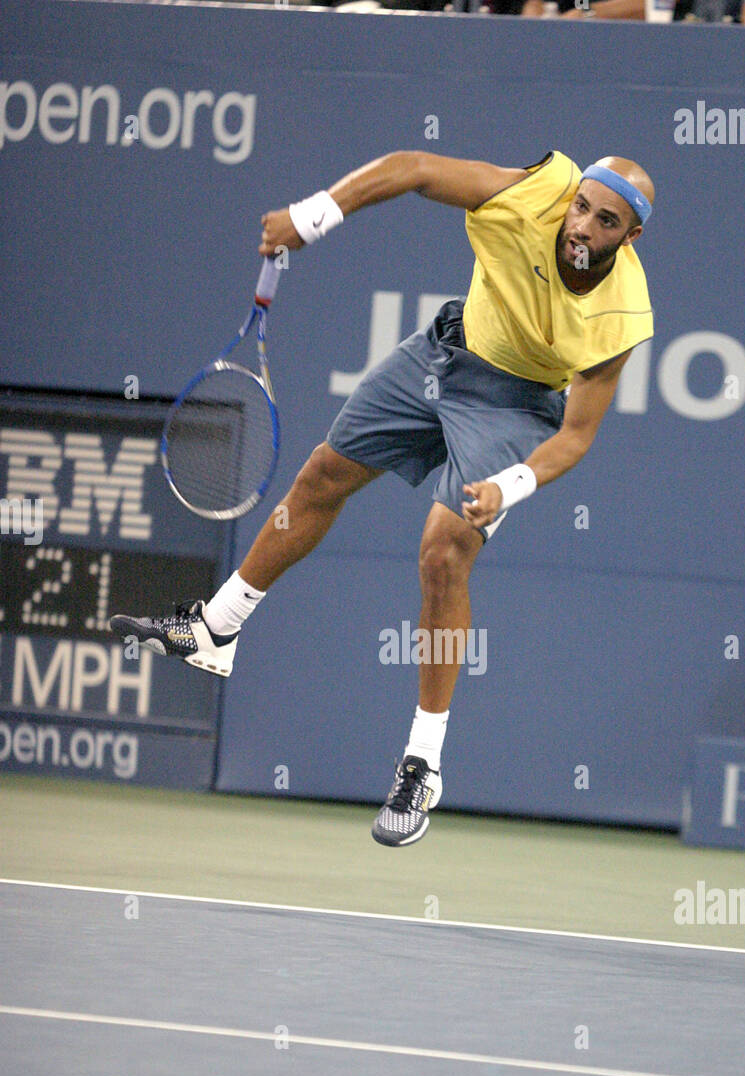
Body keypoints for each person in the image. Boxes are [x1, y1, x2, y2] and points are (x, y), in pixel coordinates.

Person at [110, 149, 654, 845]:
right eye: (582, 205)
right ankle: (216, 628)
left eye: (605, 220)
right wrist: (313, 217)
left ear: (629, 236)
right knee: (320, 476)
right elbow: (415, 167)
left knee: (442, 554)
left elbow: (576, 437)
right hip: (441, 357)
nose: (581, 224)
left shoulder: (622, 314)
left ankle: (421, 764)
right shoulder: (535, 193)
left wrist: (510, 484)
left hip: (516, 410)